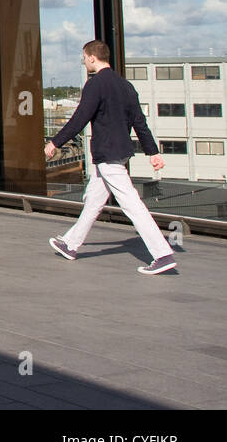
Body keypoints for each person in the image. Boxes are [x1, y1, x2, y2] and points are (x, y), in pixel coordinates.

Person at [44, 40, 177, 275]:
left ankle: (162, 253)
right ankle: (70, 244)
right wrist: (153, 152)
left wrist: (55, 142)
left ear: (92, 58)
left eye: (83, 58)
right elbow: (140, 123)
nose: (83, 61)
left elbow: (79, 118)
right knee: (94, 201)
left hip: (107, 155)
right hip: (120, 153)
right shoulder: (125, 86)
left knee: (132, 204)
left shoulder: (96, 85)